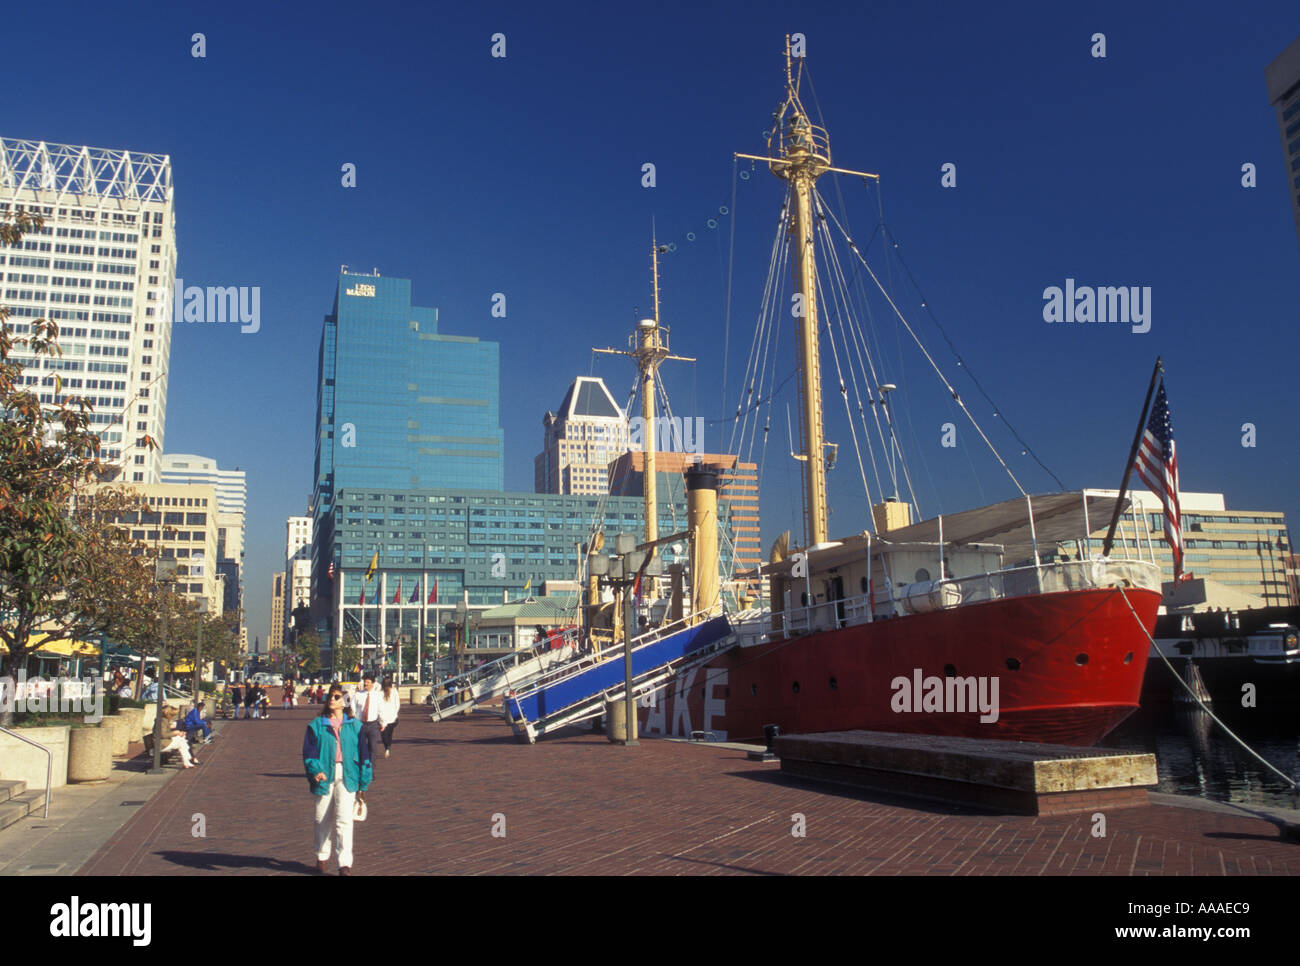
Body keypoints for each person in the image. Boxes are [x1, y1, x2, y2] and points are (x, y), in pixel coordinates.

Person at [302, 684, 371, 876]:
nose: (332, 699)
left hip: (347, 774)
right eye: (330, 696)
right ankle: (322, 856)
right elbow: (309, 751)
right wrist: (315, 769)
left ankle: (344, 864)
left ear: (345, 701)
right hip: (325, 774)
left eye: (336, 696)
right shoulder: (317, 725)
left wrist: (363, 781)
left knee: (344, 821)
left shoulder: (355, 726)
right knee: (321, 818)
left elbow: (364, 755)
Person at [352, 673, 383, 763]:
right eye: (365, 682)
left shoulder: (378, 696)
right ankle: (361, 767)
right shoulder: (357, 695)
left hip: (373, 724)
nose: (366, 684)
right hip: (360, 724)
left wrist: (383, 723)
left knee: (373, 748)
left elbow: (381, 710)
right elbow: (352, 709)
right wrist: (353, 722)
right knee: (360, 747)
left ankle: (370, 771)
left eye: (368, 682)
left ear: (373, 683)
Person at [377, 675, 400, 759]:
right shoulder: (394, 691)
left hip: (383, 717)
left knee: (383, 734)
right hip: (392, 717)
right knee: (390, 733)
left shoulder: (379, 693)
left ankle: (386, 746)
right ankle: (388, 747)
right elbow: (397, 704)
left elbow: (378, 705)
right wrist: (395, 713)